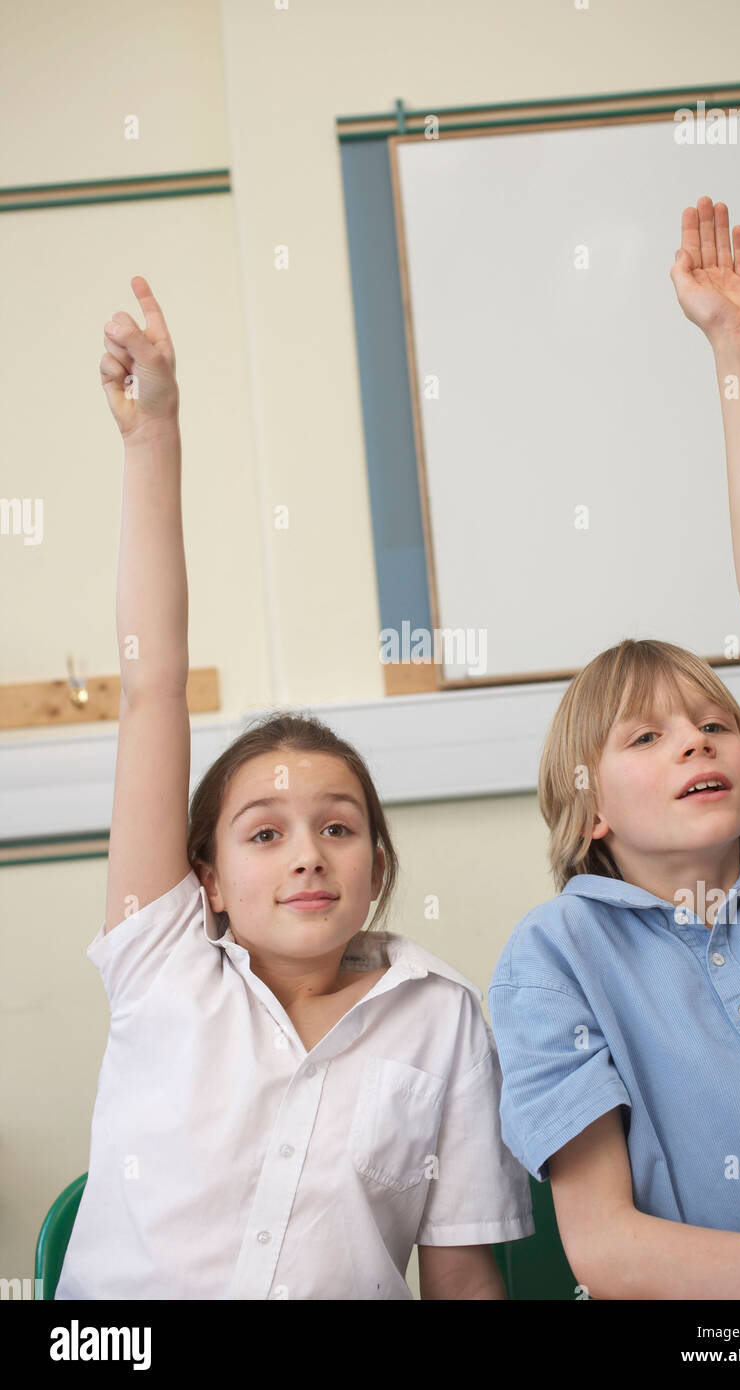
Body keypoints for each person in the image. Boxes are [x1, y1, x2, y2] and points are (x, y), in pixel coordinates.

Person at [54, 277, 532, 1300]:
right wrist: (154, 438)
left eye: (337, 826)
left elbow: (458, 1277)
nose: (308, 850)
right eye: (263, 833)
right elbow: (149, 691)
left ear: (376, 868)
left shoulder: (440, 1016)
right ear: (207, 880)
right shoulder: (161, 963)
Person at [488, 196, 740, 1301]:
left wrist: (738, 350)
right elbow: (605, 1249)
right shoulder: (555, 954)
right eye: (645, 736)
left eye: (710, 723)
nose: (696, 743)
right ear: (588, 807)